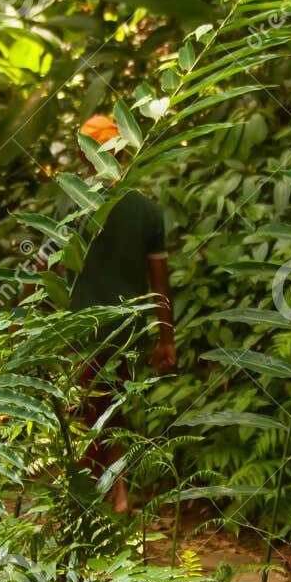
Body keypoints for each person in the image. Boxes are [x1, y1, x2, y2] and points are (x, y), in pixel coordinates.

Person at [66, 114, 174, 513]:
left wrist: (30, 326)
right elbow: (159, 281)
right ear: (122, 150)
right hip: (127, 331)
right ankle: (120, 492)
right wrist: (166, 338)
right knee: (113, 410)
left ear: (82, 152)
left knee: (82, 414)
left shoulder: (69, 203)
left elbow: (41, 272)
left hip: (78, 331)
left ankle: (88, 501)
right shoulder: (146, 210)